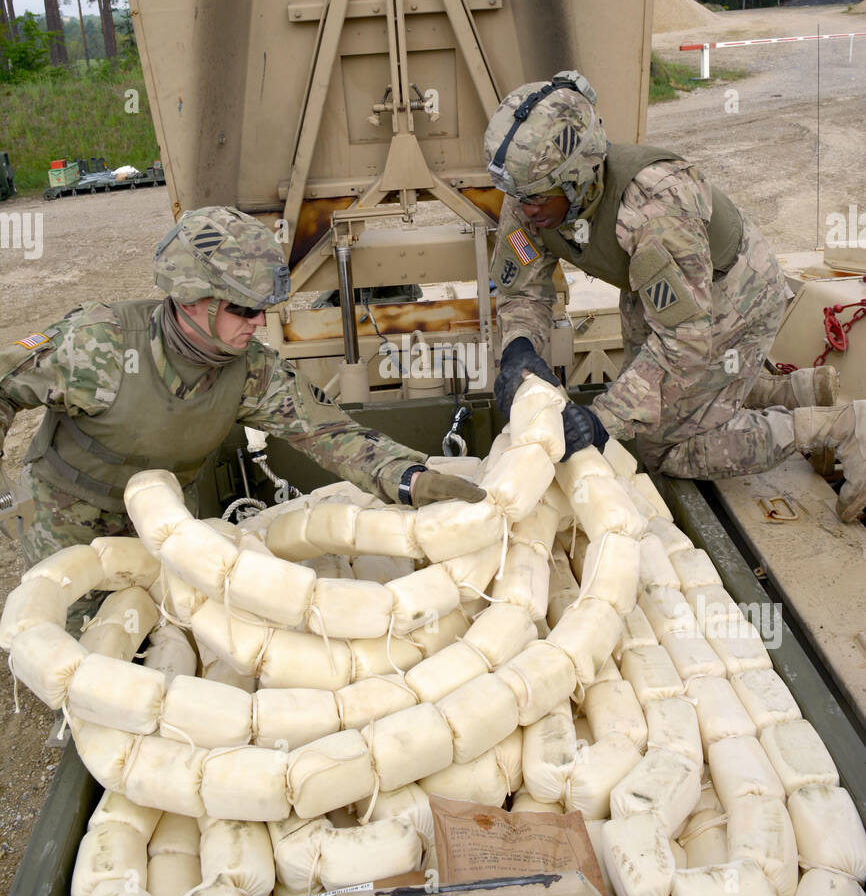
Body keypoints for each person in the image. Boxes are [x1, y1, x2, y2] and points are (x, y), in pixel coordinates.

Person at [0, 206, 483, 569]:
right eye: (243, 310)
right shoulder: (94, 345)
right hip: (65, 517)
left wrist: (412, 480)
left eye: (263, 310)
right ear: (191, 298)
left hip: (167, 518)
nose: (257, 324)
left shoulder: (253, 370)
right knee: (76, 641)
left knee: (161, 633)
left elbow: (334, 436)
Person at [486, 71, 866, 523]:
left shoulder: (654, 209)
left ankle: (842, 427)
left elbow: (684, 340)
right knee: (652, 406)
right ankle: (794, 390)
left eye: (534, 198)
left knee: (665, 446)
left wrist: (602, 419)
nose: (523, 210)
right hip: (656, 296)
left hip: (731, 297)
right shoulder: (531, 191)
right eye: (516, 195)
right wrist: (519, 348)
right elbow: (522, 286)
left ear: (576, 181)